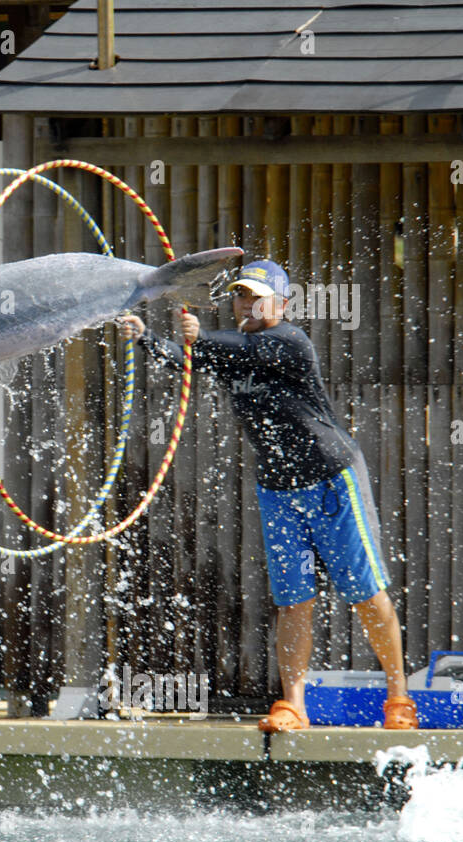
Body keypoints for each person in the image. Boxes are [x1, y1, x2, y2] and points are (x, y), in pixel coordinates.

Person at [117, 260, 417, 731]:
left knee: (364, 591)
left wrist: (200, 335)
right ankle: (293, 704)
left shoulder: (289, 342)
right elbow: (182, 357)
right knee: (293, 599)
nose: (247, 303)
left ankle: (399, 698)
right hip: (278, 489)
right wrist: (143, 337)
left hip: (332, 478)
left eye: (258, 296)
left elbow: (232, 346)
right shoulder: (227, 348)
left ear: (282, 303)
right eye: (240, 295)